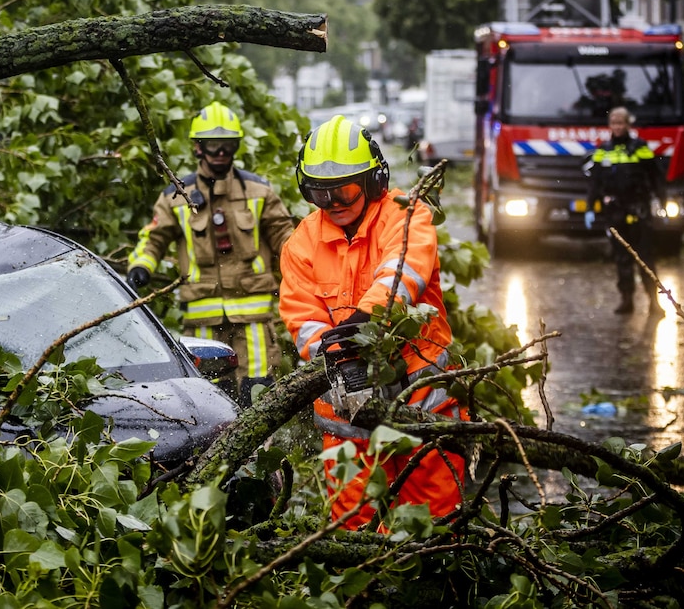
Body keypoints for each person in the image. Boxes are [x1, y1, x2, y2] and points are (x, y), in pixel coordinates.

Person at [278, 115, 465, 529]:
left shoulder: (405, 215)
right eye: (319, 193)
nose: (334, 203)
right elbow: (302, 317)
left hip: (421, 398)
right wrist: (334, 354)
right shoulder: (301, 243)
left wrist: (367, 320)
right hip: (347, 410)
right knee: (353, 526)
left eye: (343, 190)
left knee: (433, 523)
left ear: (372, 181)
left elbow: (403, 272)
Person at [127, 102, 295, 406]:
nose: (221, 153)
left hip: (253, 317)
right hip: (202, 323)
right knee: (211, 397)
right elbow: (153, 239)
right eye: (214, 145)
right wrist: (141, 267)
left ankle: (259, 453)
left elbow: (287, 237)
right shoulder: (176, 196)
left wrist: (304, 268)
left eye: (228, 145)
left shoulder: (259, 191)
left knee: (257, 393)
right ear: (197, 148)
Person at [584, 106, 666, 315]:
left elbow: (655, 175)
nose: (618, 127)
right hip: (615, 211)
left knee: (645, 257)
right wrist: (591, 206)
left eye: (621, 123)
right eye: (614, 123)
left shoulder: (640, 147)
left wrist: (662, 200)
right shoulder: (604, 150)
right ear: (610, 125)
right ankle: (626, 299)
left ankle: (653, 302)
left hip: (639, 209)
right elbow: (595, 181)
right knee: (621, 257)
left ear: (628, 125)